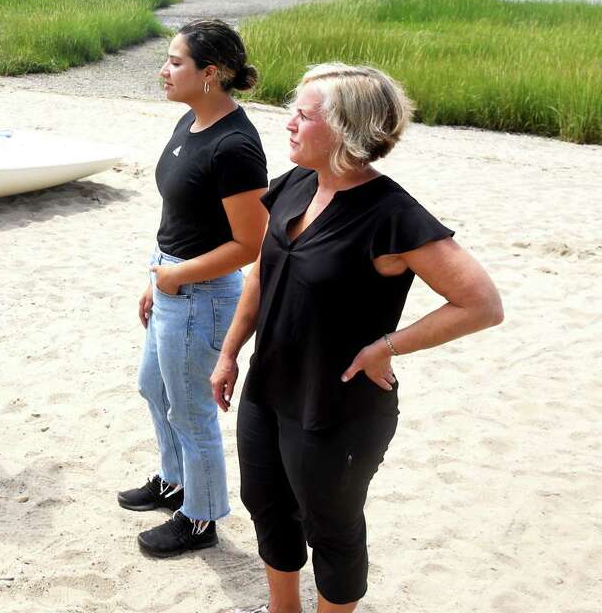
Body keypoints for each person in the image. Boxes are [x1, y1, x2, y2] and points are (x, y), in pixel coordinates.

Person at [211, 64, 504, 613]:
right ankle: (282, 608)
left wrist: (386, 346)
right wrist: (229, 352)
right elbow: (261, 274)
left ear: (347, 129)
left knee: (332, 528)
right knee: (266, 504)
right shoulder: (296, 183)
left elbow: (482, 305)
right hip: (269, 388)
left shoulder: (392, 215)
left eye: (304, 113)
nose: (289, 122)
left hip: (340, 406)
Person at [117, 20, 269, 557]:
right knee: (153, 389)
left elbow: (250, 244)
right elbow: (181, 215)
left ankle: (200, 517)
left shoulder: (234, 146)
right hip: (170, 280)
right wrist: (154, 278)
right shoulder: (192, 121)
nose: (163, 70)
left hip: (201, 297)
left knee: (191, 412)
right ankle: (174, 480)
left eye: (175, 62)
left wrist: (176, 277)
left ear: (210, 74)